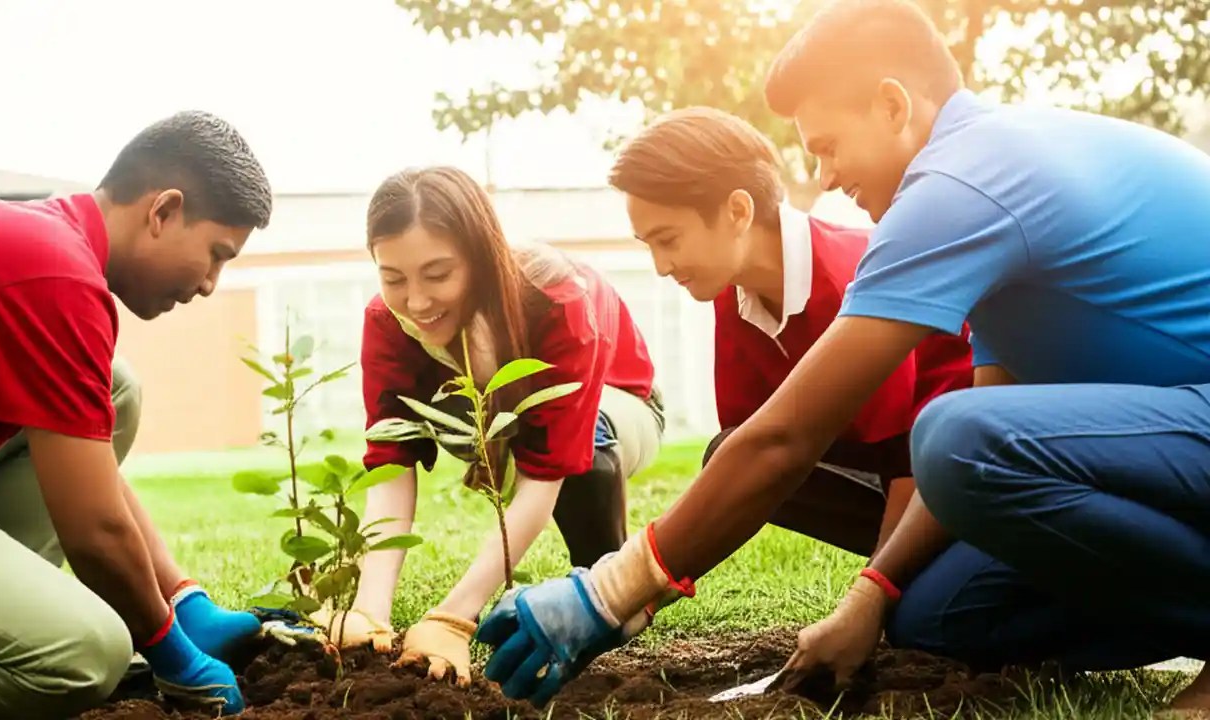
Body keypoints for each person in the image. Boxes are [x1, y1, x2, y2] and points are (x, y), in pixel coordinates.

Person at [473, 0, 1210, 714]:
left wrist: (609, 591)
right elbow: (996, 402)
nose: (822, 176)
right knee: (933, 615)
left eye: (827, 146)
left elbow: (790, 437)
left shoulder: (960, 183)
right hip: (1176, 438)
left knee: (954, 436)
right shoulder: (995, 178)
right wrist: (872, 594)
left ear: (892, 106)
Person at [0, 110, 278, 718]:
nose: (210, 285)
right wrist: (170, 651)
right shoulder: (53, 274)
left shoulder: (53, 246)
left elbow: (83, 466)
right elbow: (94, 528)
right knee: (87, 656)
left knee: (115, 391)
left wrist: (182, 601)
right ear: (163, 211)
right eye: (216, 255)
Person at [312, 165, 665, 688]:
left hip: (619, 405)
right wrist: (369, 610)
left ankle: (608, 577)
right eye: (394, 278)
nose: (416, 301)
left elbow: (543, 479)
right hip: (492, 413)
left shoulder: (558, 303)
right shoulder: (389, 322)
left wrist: (454, 617)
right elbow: (391, 460)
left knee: (588, 441)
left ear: (480, 257)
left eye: (438, 275)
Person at [609, 105, 972, 558]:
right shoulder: (735, 296)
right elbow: (746, 455)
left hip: (955, 468)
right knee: (730, 454)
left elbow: (905, 459)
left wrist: (877, 587)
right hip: (890, 474)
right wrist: (641, 577)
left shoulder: (852, 276)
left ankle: (934, 560)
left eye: (668, 240)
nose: (661, 267)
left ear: (738, 211)